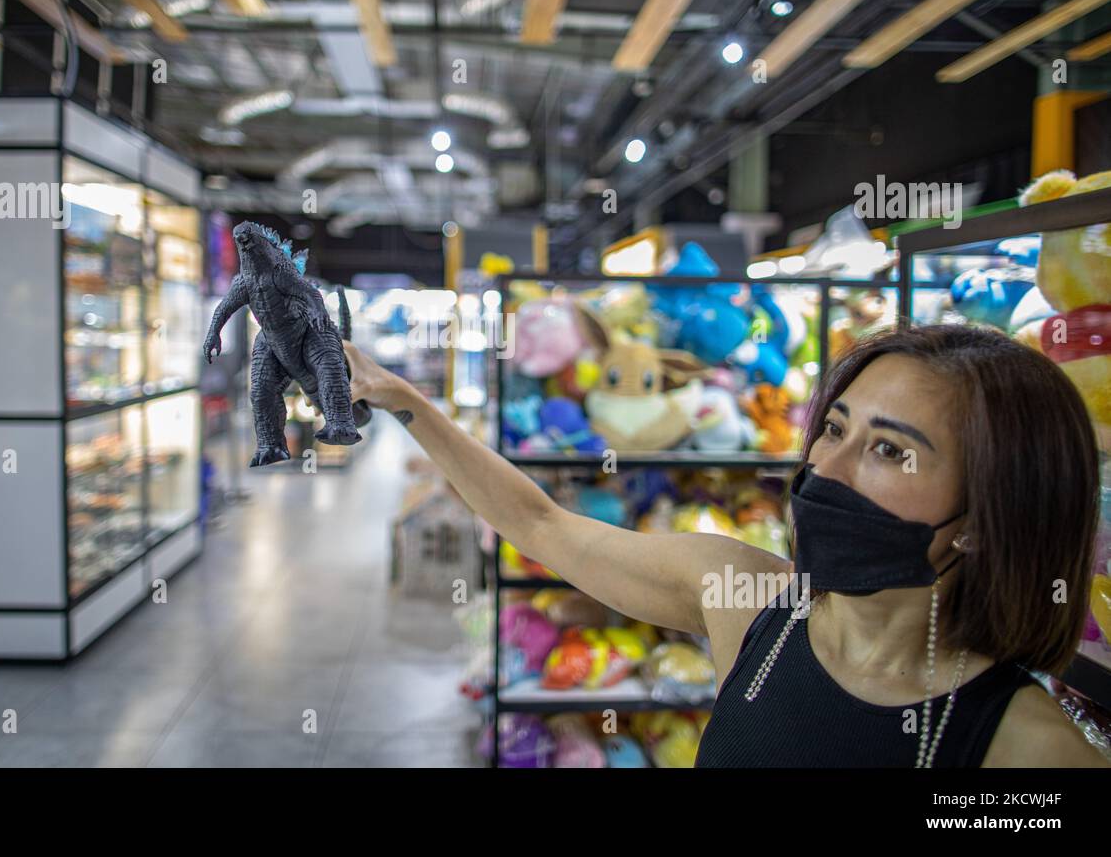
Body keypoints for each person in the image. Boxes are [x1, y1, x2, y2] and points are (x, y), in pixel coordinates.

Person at [343, 323, 1109, 767]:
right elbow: (545, 527)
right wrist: (400, 398)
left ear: (989, 511)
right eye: (834, 430)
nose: (824, 468)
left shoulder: (1031, 751)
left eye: (889, 452)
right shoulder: (749, 607)